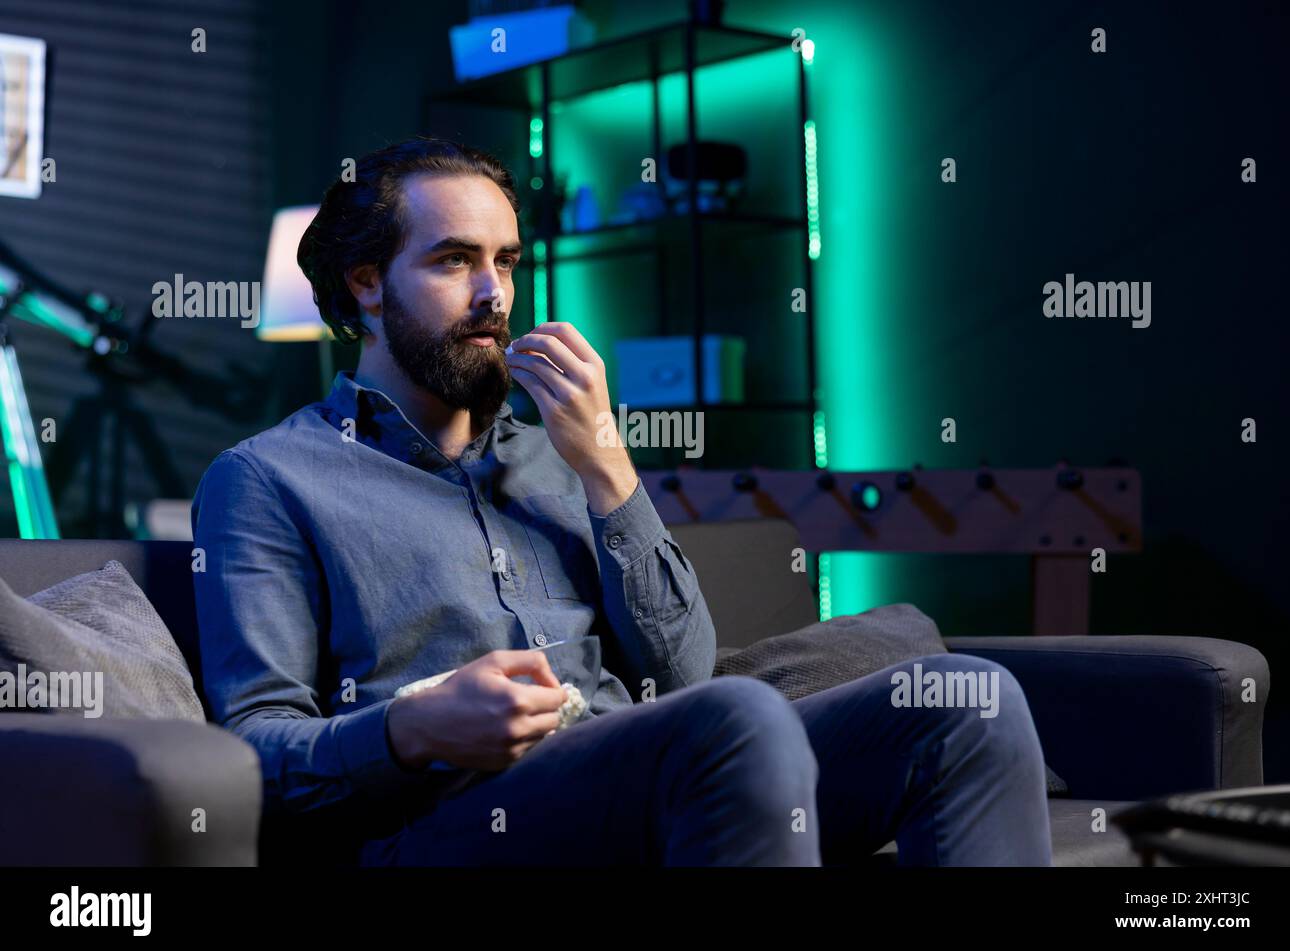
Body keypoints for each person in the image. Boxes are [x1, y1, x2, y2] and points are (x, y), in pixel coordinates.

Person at [190, 136, 1053, 866]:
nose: (495, 295)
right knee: (734, 717)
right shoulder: (267, 478)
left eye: (506, 262)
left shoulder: (562, 454)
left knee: (962, 700)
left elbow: (681, 676)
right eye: (454, 261)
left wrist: (609, 468)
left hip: (641, 773)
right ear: (368, 283)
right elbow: (256, 752)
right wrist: (415, 729)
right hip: (439, 821)